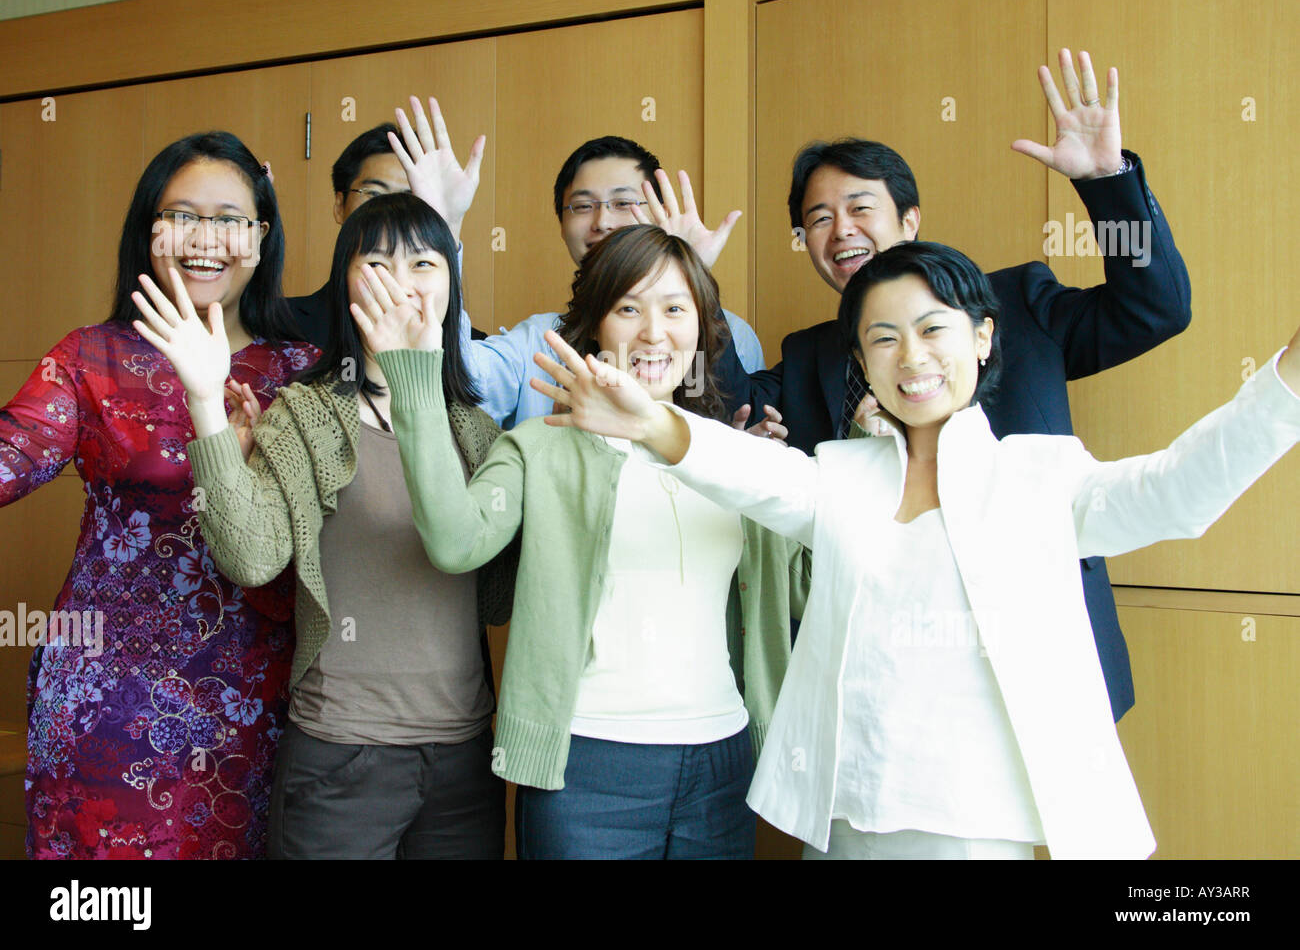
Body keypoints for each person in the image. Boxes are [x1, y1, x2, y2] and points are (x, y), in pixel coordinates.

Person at [539, 240, 1300, 860]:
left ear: (982, 336)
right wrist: (651, 424)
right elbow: (750, 471)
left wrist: (1288, 383)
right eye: (883, 337)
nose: (912, 356)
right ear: (862, 364)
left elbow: (1177, 488)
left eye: (933, 328)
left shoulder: (1038, 478)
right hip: (841, 820)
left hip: (971, 827)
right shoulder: (840, 477)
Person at [727, 50, 1192, 719]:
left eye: (860, 206)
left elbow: (1157, 308)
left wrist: (1106, 185)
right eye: (818, 218)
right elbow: (725, 404)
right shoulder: (808, 357)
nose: (840, 230)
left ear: (909, 221)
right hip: (885, 665)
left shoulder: (1016, 304)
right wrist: (682, 281)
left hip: (1038, 636)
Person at [367, 224, 808, 859]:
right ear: (596, 324)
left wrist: (879, 440)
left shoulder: (732, 458)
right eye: (628, 307)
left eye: (675, 308)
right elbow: (456, 542)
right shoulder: (539, 447)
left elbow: (804, 590)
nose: (653, 333)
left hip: (722, 761)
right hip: (586, 766)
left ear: (704, 329)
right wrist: (413, 379)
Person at [134, 193, 517, 859]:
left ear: (452, 285)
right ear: (344, 283)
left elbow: (501, 588)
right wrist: (205, 402)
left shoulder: (481, 431)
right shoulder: (305, 413)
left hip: (463, 757)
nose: (401, 282)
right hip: (341, 752)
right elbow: (252, 556)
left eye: (424, 262)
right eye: (377, 261)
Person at [2, 131, 314, 859]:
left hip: (256, 697)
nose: (207, 239)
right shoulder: (92, 357)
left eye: (231, 218)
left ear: (261, 238)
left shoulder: (302, 370)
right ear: (151, 230)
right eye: (183, 215)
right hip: (105, 696)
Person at [463, 135, 765, 429]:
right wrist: (441, 232)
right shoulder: (538, 341)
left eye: (623, 203)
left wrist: (690, 272)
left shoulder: (731, 333)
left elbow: (737, 418)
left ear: (659, 212)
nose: (602, 221)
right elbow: (457, 382)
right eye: (582, 206)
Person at [288, 100, 489, 349]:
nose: (390, 212)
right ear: (339, 205)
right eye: (374, 194)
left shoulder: (473, 347)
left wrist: (447, 222)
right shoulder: (282, 326)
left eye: (409, 197)